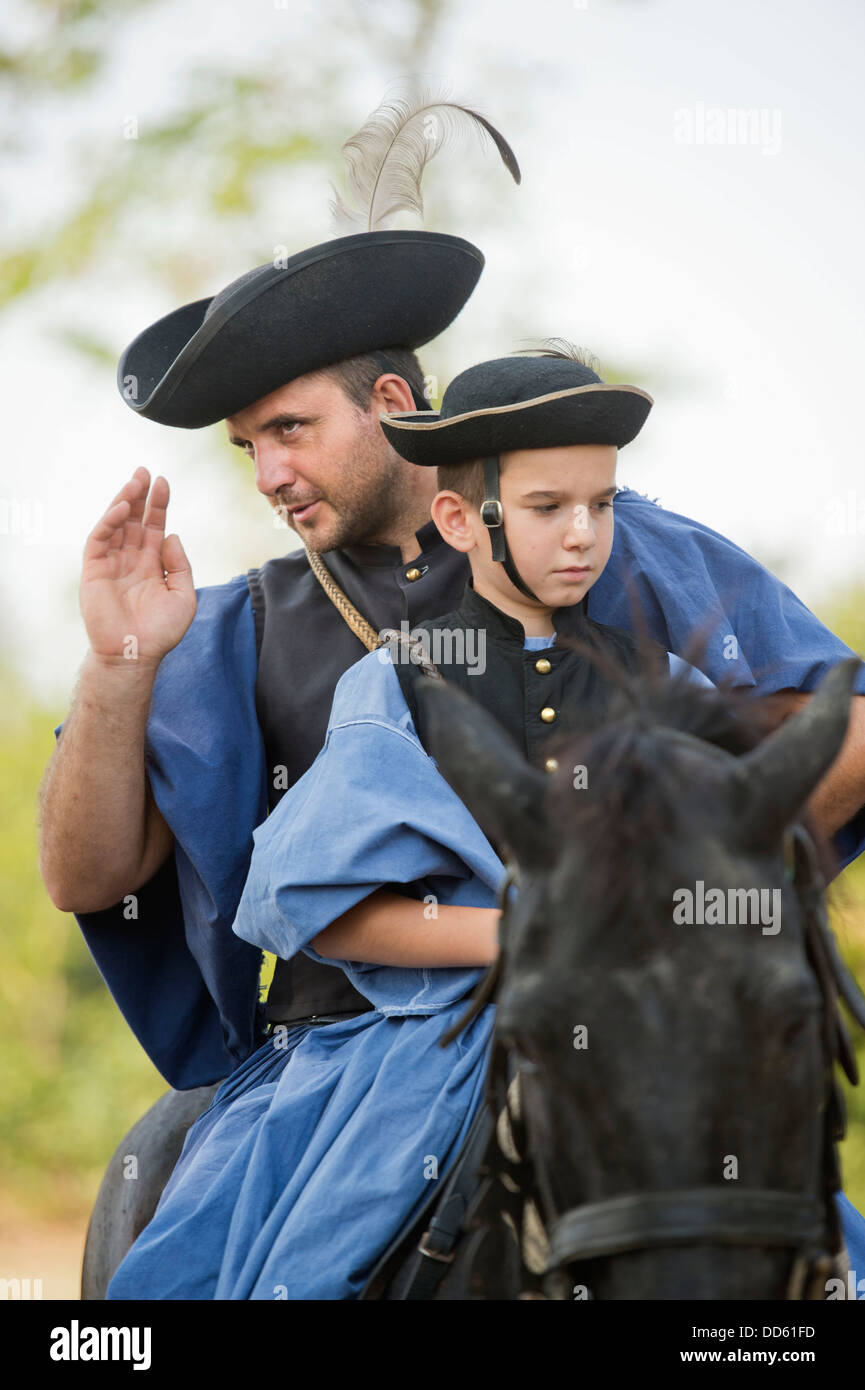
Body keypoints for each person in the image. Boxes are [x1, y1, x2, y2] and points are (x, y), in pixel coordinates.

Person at [38, 105, 865, 1283]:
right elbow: (86, 878)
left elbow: (843, 732)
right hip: (346, 1060)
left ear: (388, 406)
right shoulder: (230, 625)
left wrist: (656, 897)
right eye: (247, 448)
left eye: (290, 430)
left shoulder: (610, 549)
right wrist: (119, 660)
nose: (269, 473)